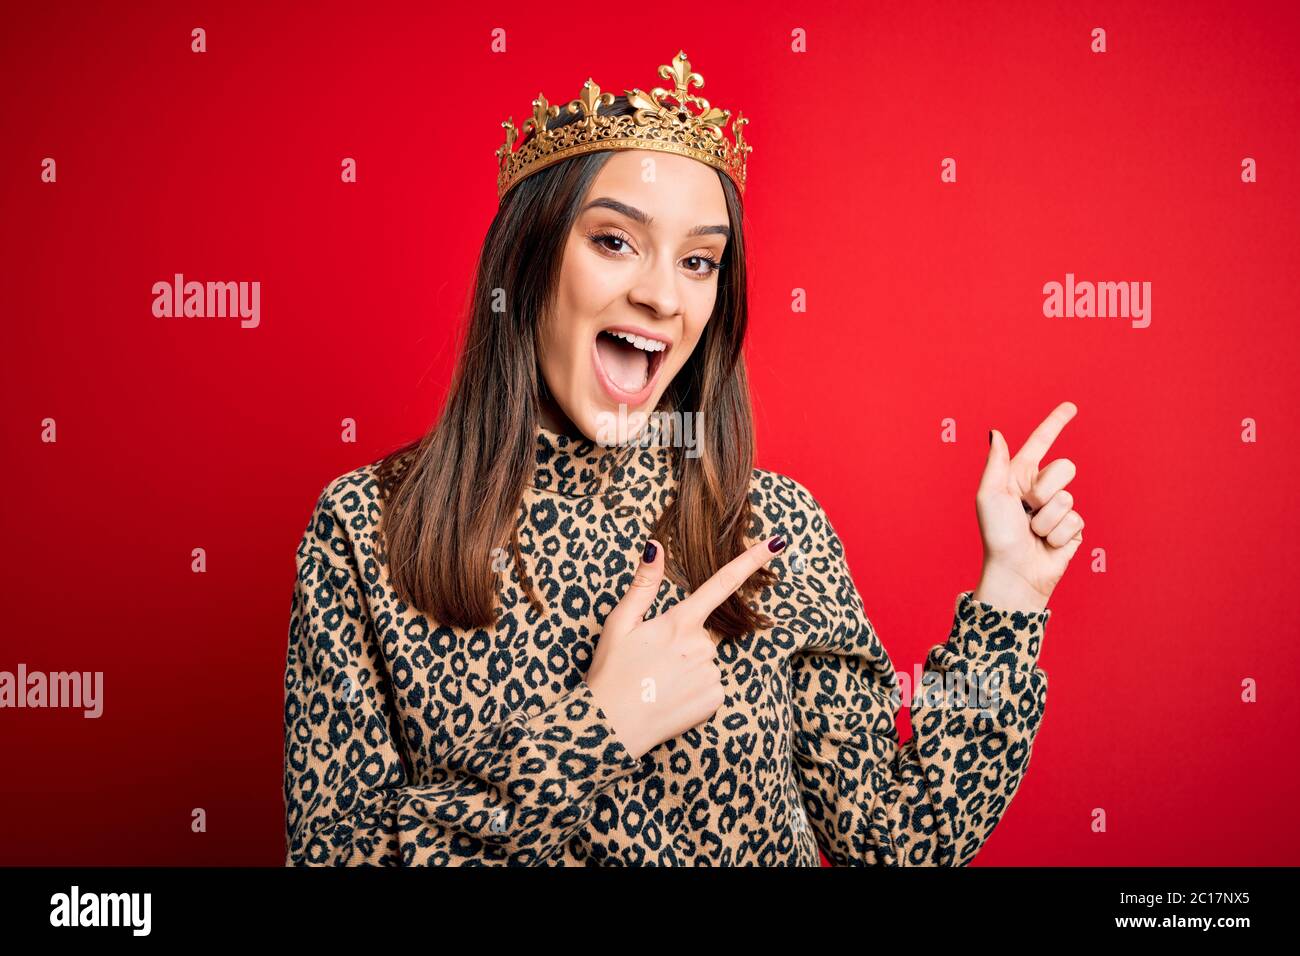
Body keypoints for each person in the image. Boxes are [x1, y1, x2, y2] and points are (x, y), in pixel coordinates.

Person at [282, 49, 1085, 866]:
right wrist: (599, 729)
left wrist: (1011, 600)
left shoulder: (773, 524)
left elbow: (901, 838)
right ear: (526, 266)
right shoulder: (366, 530)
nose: (663, 297)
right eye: (615, 241)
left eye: (699, 260)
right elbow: (333, 858)